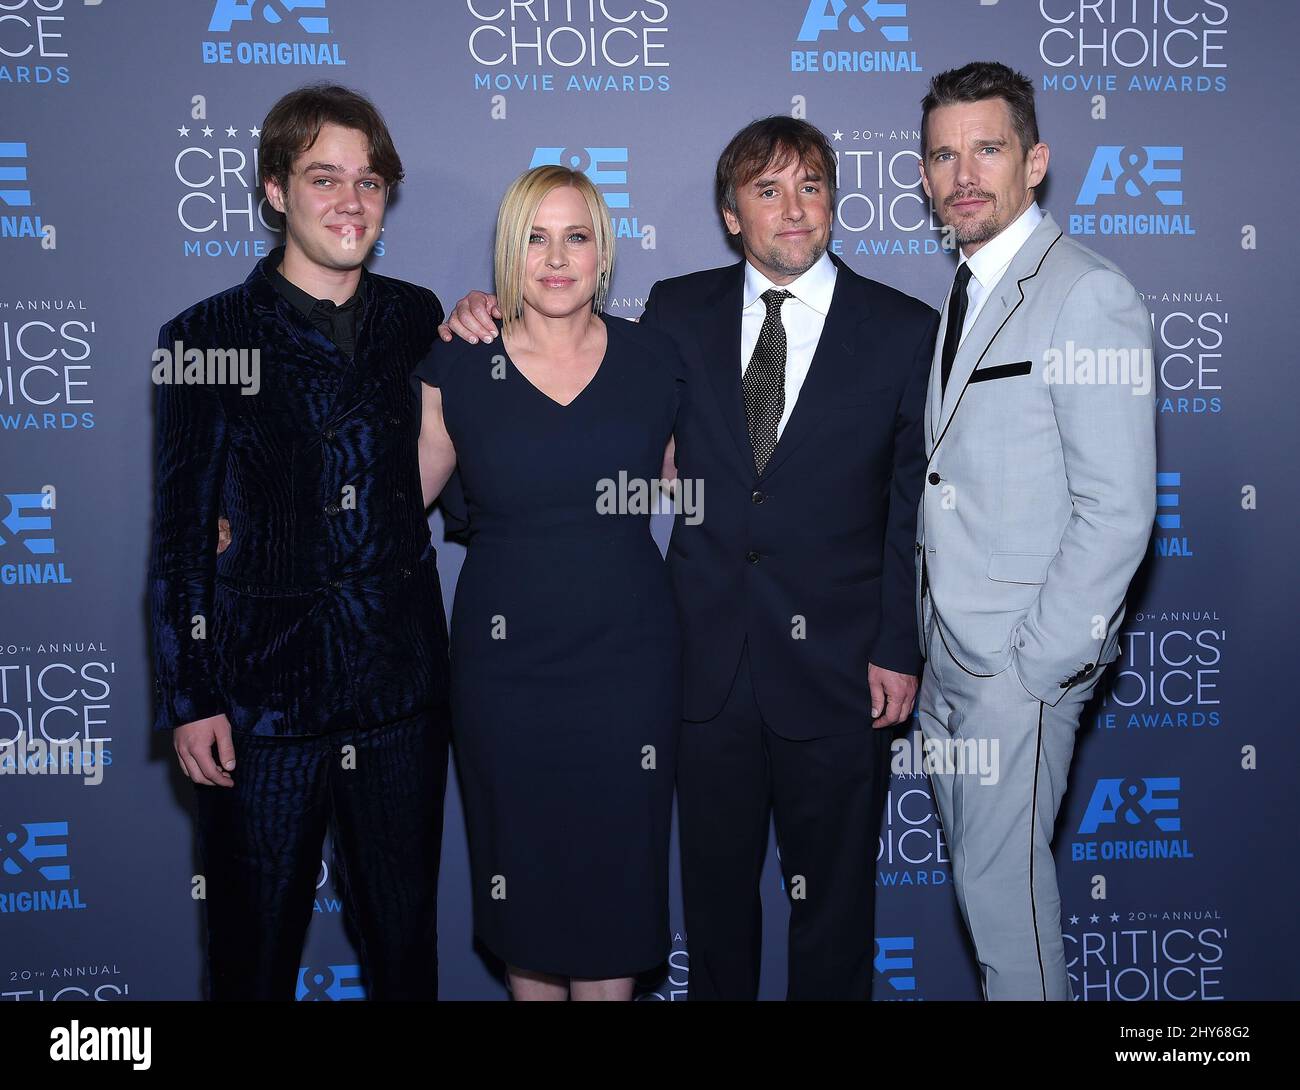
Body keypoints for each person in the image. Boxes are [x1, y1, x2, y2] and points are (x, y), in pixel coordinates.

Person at [445, 118, 938, 1001]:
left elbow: (913, 510)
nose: (794, 210)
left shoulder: (905, 329)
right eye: (768, 191)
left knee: (835, 908)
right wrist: (484, 309)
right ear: (730, 213)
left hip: (840, 665)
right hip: (700, 666)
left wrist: (898, 645)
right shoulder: (675, 314)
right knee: (712, 909)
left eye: (812, 188)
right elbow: (583, 409)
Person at [149, 84, 451, 1000]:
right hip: (261, 703)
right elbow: (179, 537)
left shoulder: (414, 316)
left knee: (405, 953)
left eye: (369, 181)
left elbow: (423, 477)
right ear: (277, 190)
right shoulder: (205, 337)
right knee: (252, 956)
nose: (351, 202)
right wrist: (190, 692)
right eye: (325, 178)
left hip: (398, 691)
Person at [914, 61, 1157, 1000]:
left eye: (988, 148)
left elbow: (1120, 509)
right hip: (950, 659)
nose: (963, 173)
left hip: (1016, 670)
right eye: (944, 154)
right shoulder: (971, 283)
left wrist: (1034, 667)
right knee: (991, 904)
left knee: (1006, 913)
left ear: (1036, 161)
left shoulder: (1086, 292)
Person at [413, 165, 683, 1001]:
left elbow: (717, 488)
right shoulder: (455, 366)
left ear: (604, 253)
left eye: (577, 236)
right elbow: (385, 510)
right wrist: (244, 522)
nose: (556, 257)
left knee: (613, 895)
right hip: (504, 672)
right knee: (522, 893)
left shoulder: (657, 361)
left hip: (628, 667)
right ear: (509, 252)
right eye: (536, 236)